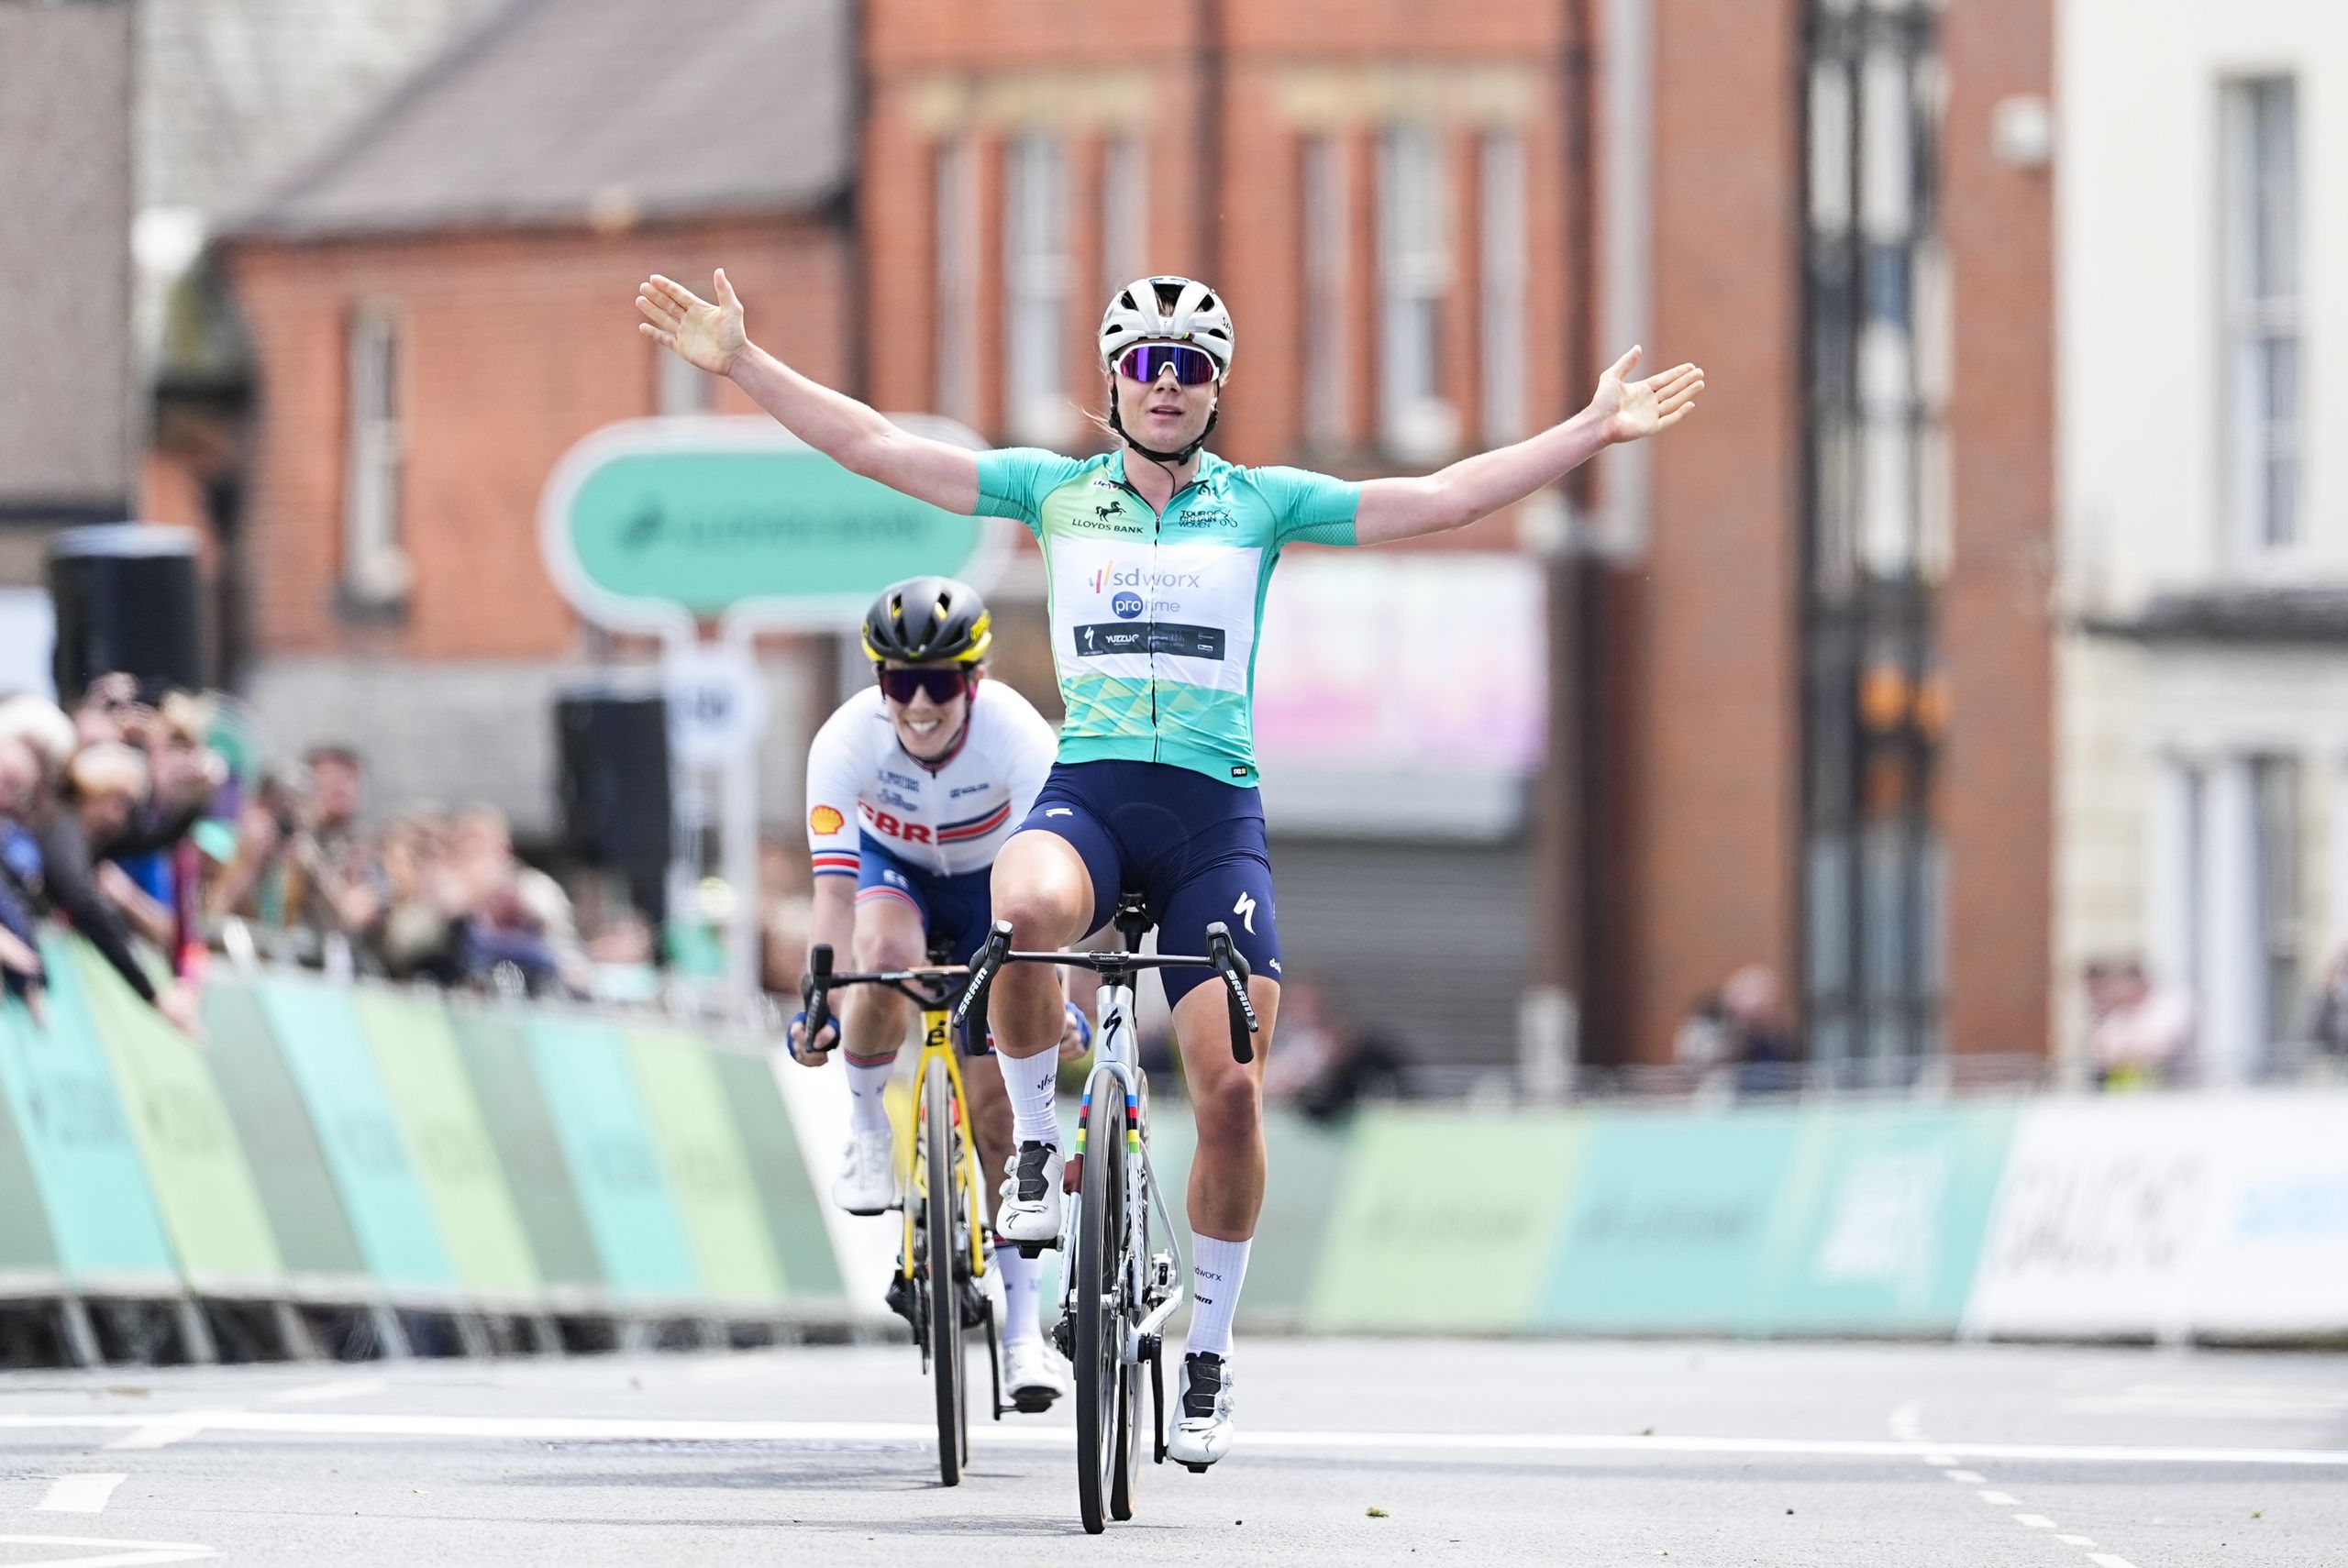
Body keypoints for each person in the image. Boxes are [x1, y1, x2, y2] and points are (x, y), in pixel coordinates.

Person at [638, 266, 1701, 1468]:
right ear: (1112, 379)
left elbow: (1446, 494)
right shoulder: (1052, 491)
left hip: (1211, 820)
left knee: (1233, 1088)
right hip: (1091, 791)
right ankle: (1036, 1152)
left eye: (1189, 365)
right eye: (1144, 361)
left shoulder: (1261, 503)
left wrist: (1592, 428)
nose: (1165, 383)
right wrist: (742, 364)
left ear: (1216, 388)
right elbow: (880, 449)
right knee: (1023, 904)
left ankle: (1206, 1348)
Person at [788, 575, 1078, 1412]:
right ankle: (870, 1127)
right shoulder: (845, 742)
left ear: (973, 682)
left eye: (940, 684)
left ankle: (1024, 1331)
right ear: (880, 685)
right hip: (896, 880)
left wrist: (1050, 1000)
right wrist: (817, 997)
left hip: (996, 885)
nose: (919, 704)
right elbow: (834, 900)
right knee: (879, 954)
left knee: (998, 1118)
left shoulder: (1021, 738)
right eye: (899, 684)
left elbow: (1049, 901)